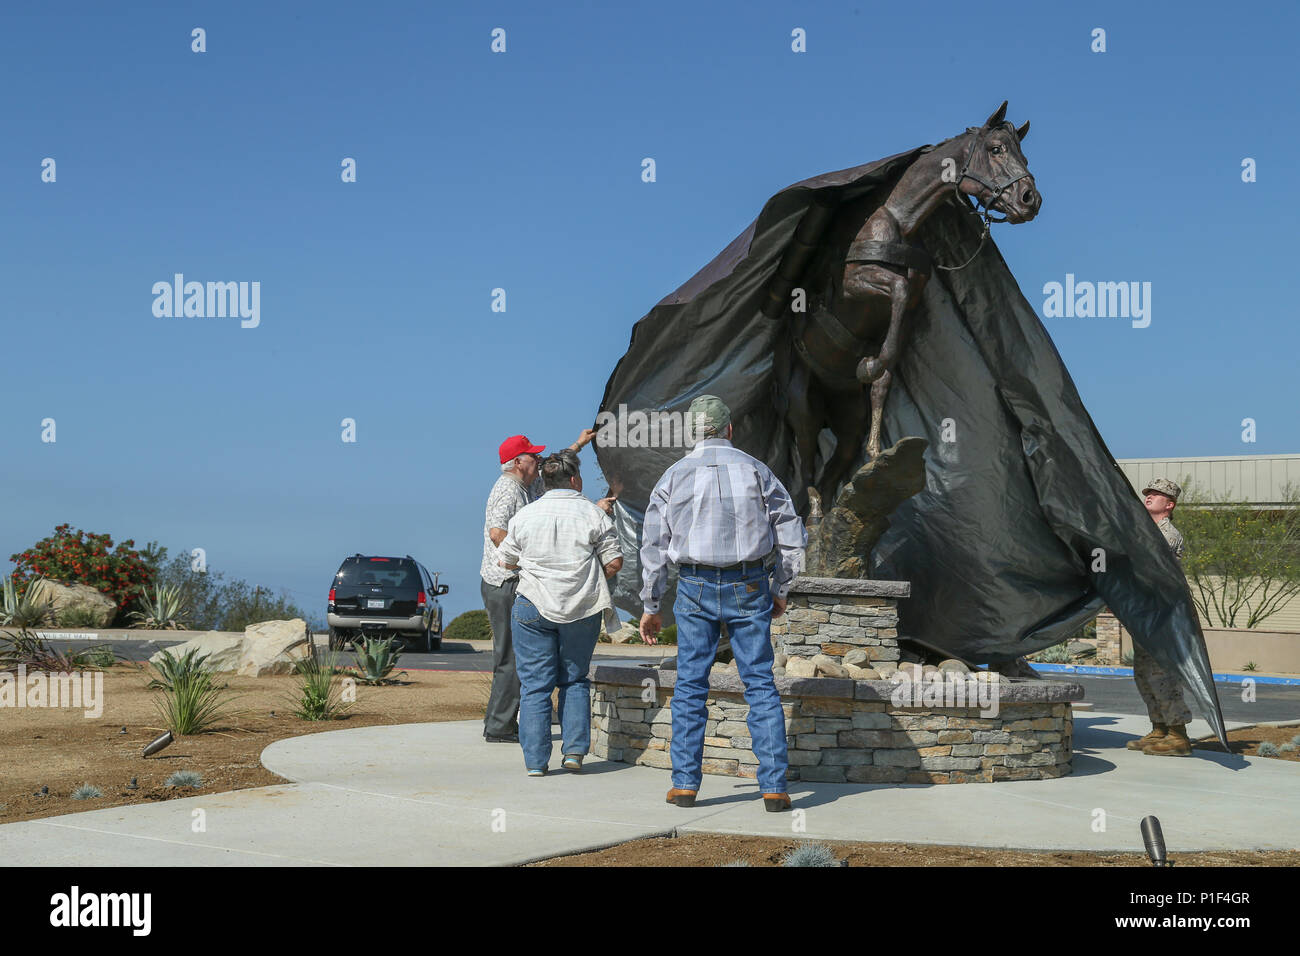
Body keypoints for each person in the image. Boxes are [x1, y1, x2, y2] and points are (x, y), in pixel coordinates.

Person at [638, 395, 807, 811]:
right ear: (730, 430)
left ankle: (685, 786)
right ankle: (773, 788)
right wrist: (781, 589)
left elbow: (654, 546)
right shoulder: (757, 470)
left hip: (694, 585)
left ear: (692, 434)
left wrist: (651, 604)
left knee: (691, 685)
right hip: (749, 583)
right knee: (760, 684)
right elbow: (791, 534)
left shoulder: (672, 475)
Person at [497, 450, 623, 775]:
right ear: (575, 480)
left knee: (535, 686)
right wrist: (587, 576)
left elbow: (506, 561)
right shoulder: (594, 514)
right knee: (575, 679)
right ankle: (575, 753)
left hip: (532, 605)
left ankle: (536, 763)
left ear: (543, 480)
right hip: (581, 608)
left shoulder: (526, 515)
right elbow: (614, 562)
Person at [480, 428, 609, 743]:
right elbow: (498, 533)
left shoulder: (528, 485)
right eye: (532, 456)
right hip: (506, 582)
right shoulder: (508, 489)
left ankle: (503, 721)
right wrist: (530, 560)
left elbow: (556, 475)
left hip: (512, 580)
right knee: (511, 656)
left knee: (515, 655)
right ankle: (499, 726)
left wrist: (578, 444)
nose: (538, 460)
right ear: (516, 462)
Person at [1127, 477, 1194, 757]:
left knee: (1163, 673)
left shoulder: (1167, 534)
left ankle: (1178, 735)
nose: (1149, 497)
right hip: (1144, 612)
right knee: (1143, 672)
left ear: (1169, 505)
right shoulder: (1145, 530)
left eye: (1157, 494)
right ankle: (1159, 728)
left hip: (1162, 613)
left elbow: (1149, 568)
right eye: (1148, 493)